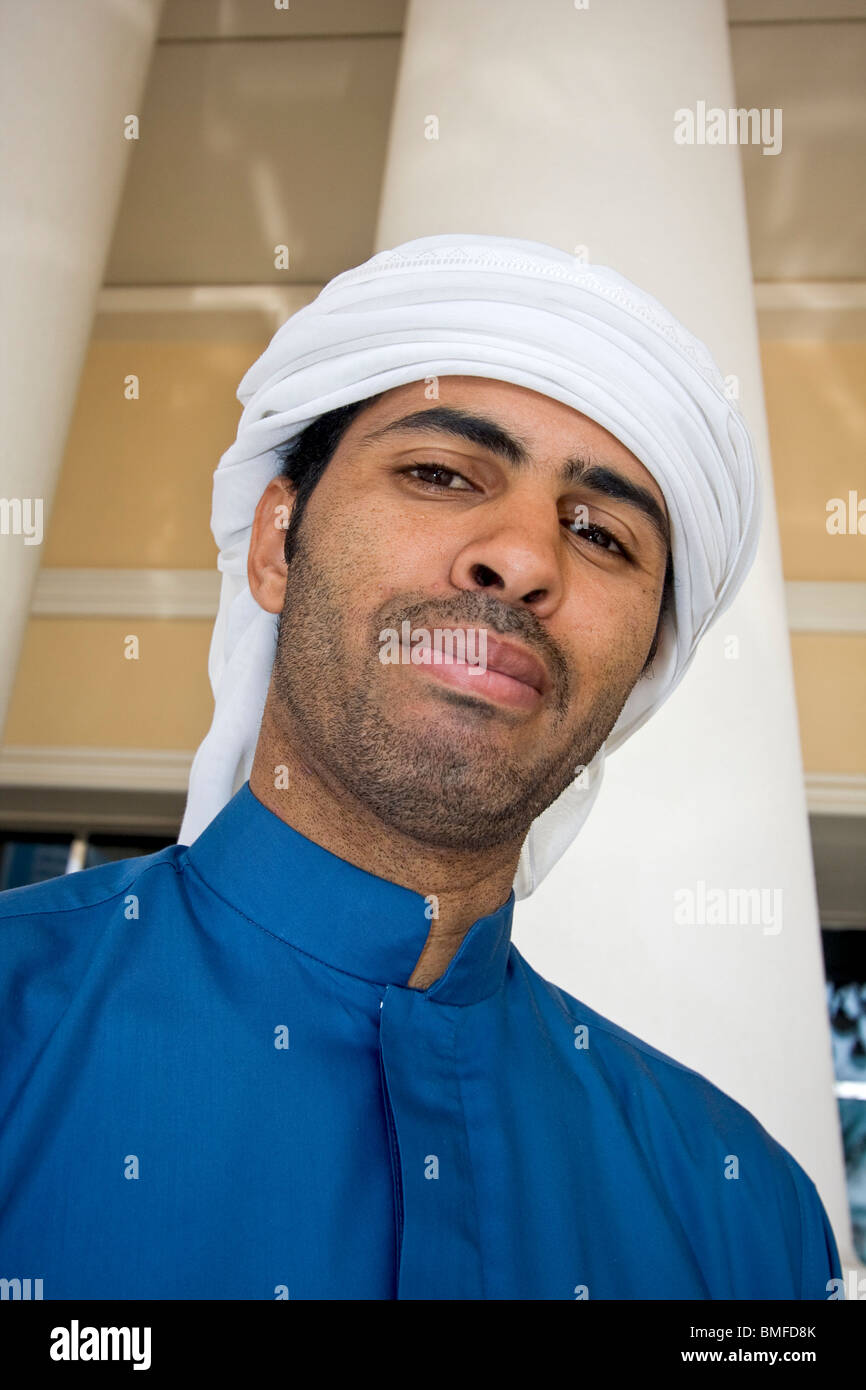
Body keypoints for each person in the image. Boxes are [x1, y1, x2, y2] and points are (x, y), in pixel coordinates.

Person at [0, 234, 840, 1299]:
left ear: (639, 669)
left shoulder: (743, 1219)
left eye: (602, 534)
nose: (524, 557)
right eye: (439, 473)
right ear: (275, 542)